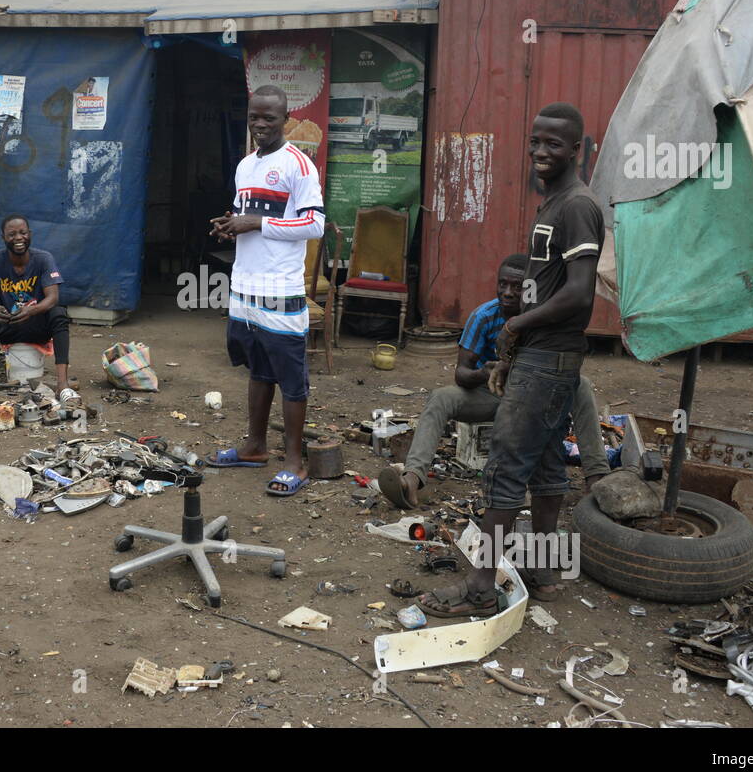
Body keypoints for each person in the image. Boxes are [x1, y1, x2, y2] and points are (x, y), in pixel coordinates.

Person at [419, 102, 604, 615]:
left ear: (578, 149)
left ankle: (480, 589)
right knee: (545, 465)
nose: (542, 152)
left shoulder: (577, 206)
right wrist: (512, 353)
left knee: (504, 466)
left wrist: (518, 326)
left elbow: (580, 294)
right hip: (539, 356)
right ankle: (544, 573)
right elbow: (544, 288)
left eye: (554, 144)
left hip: (550, 357)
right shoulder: (554, 203)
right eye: (535, 142)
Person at [379, 253, 610, 510]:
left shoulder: (541, 317)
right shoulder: (484, 317)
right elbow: (461, 373)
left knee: (582, 385)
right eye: (503, 284)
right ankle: (412, 480)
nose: (508, 292)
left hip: (534, 395)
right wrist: (483, 373)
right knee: (441, 397)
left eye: (517, 286)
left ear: (531, 288)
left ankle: (596, 476)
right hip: (492, 394)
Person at [206, 84, 325, 496]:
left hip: (281, 288)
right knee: (258, 368)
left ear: (285, 119)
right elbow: (246, 216)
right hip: (244, 286)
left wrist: (255, 223)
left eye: (269, 118)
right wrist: (231, 223)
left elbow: (315, 224)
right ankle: (255, 446)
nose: (260, 124)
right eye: (254, 116)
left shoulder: (299, 165)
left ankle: (294, 461)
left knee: (291, 377)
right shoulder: (245, 166)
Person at [0, 213, 76, 403]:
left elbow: (53, 297)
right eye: (11, 234)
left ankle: (63, 385)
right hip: (7, 325)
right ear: (3, 238)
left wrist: (32, 310)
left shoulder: (43, 259)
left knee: (58, 313)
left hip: (35, 326)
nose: (18, 238)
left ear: (30, 234)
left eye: (22, 233)